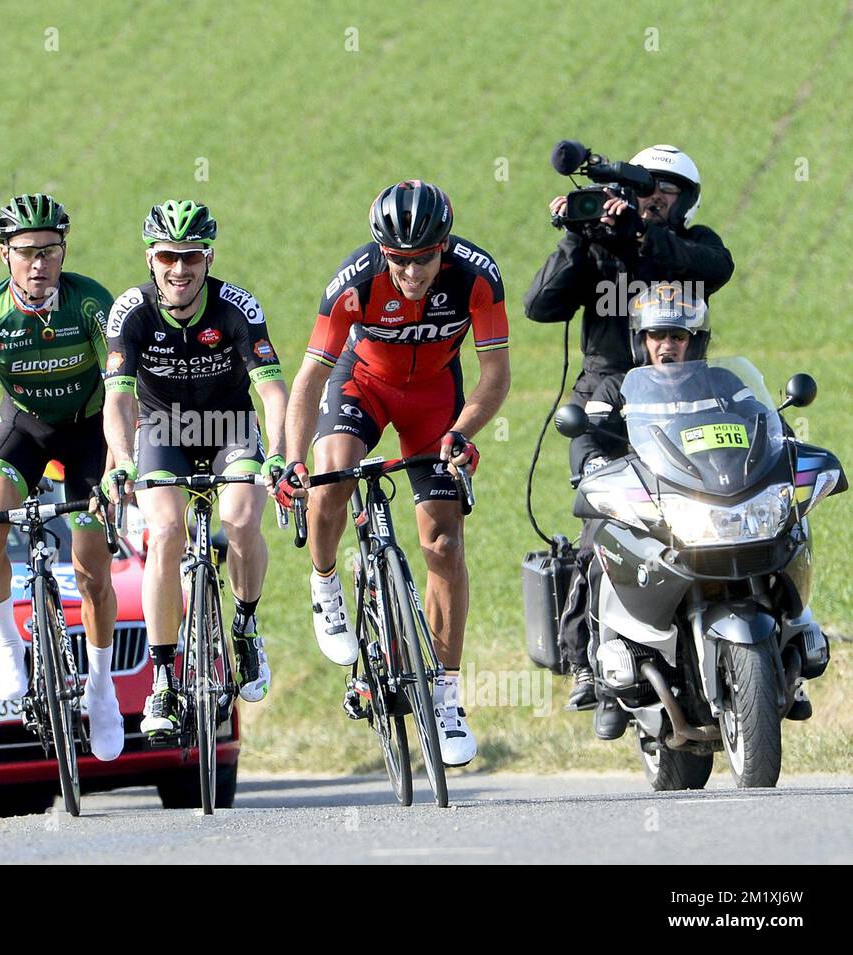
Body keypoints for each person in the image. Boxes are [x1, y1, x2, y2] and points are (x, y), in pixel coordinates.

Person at [276, 180, 511, 767]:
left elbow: (496, 374)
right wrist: (291, 459)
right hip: (364, 385)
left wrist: (465, 431)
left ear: (444, 246)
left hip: (435, 398)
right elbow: (307, 380)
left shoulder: (477, 278)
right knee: (332, 477)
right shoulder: (354, 283)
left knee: (444, 543)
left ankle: (447, 696)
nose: (410, 273)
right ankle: (325, 582)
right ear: (383, 252)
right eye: (399, 261)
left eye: (423, 259)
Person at [525, 145, 735, 707]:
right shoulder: (599, 245)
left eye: (668, 190)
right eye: (647, 189)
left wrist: (643, 234)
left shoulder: (695, 246)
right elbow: (540, 306)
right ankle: (590, 659)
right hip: (606, 404)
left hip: (686, 399)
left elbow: (714, 270)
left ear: (686, 200)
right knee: (606, 525)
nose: (655, 198)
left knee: (726, 508)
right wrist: (579, 233)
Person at [0, 194, 125, 761]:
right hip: (27, 428)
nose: (40, 263)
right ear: (5, 255)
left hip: (92, 430)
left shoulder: (93, 303)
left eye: (51, 251)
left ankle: (100, 689)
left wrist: (117, 468)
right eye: (27, 252)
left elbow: (123, 389)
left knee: (92, 570)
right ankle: (6, 644)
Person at [102, 200, 289, 738]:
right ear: (150, 258)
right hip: (162, 429)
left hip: (229, 424)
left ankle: (246, 629)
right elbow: (117, 400)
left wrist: (276, 453)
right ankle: (163, 681)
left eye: (191, 258)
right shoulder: (130, 311)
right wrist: (122, 462)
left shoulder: (237, 307)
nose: (179, 269)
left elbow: (271, 390)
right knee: (163, 532)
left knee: (240, 517)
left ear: (208, 258)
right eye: (167, 257)